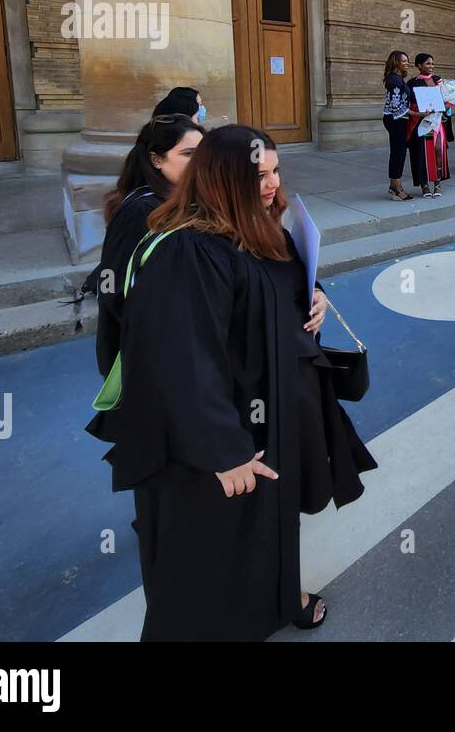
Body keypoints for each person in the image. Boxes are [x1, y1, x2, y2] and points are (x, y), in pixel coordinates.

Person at [87, 125, 373, 640]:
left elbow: (283, 276)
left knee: (270, 525)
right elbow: (180, 363)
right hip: (220, 437)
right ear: (223, 178)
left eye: (275, 171)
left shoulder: (257, 226)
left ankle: (281, 598)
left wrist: (318, 296)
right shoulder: (189, 251)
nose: (271, 184)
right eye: (258, 174)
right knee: (211, 550)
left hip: (270, 415)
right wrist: (222, 451)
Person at [92, 114, 205, 378]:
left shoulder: (182, 200)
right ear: (156, 159)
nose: (200, 163)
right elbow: (114, 287)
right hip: (150, 358)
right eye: (189, 154)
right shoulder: (141, 210)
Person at [407, 52, 453, 199]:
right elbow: (410, 104)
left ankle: (438, 183)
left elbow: (448, 100)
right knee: (423, 153)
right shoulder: (412, 83)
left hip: (437, 122)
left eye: (432, 63)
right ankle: (424, 184)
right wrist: (419, 111)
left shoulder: (438, 81)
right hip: (422, 123)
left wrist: (446, 106)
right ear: (419, 65)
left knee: (438, 151)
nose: (431, 66)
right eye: (428, 63)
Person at [382, 51, 415, 200]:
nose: (407, 63)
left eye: (407, 61)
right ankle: (396, 187)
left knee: (399, 152)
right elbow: (396, 105)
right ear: (396, 62)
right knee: (398, 153)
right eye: (404, 61)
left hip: (399, 119)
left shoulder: (397, 79)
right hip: (396, 120)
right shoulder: (394, 80)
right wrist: (415, 114)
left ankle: (393, 186)